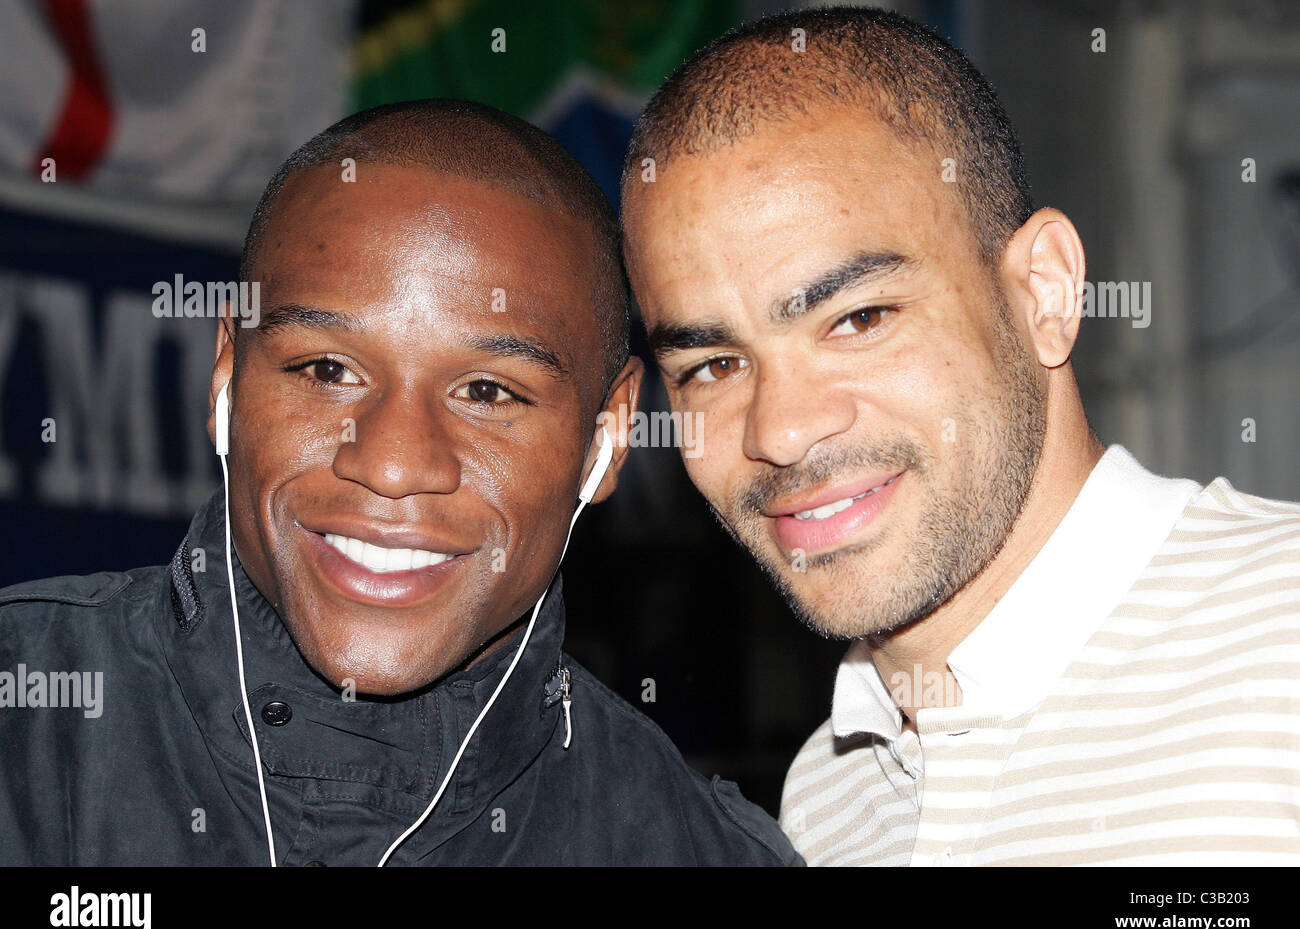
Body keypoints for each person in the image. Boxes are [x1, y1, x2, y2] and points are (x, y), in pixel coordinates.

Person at [0, 99, 798, 867]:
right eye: (327, 369)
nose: (390, 463)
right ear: (228, 377)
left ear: (609, 432)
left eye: (488, 392)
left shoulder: (695, 849)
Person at [619, 7, 1300, 865]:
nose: (782, 430)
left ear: (1043, 294)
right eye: (713, 366)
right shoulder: (827, 798)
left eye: (858, 318)